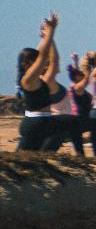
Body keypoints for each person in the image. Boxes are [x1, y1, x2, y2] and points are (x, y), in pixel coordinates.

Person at [16, 12, 77, 152]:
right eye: (35, 61)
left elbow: (54, 62)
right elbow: (42, 56)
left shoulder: (41, 79)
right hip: (35, 123)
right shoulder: (27, 80)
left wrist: (50, 37)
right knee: (22, 160)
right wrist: (49, 33)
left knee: (29, 158)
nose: (42, 64)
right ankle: (81, 155)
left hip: (43, 122)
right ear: (28, 63)